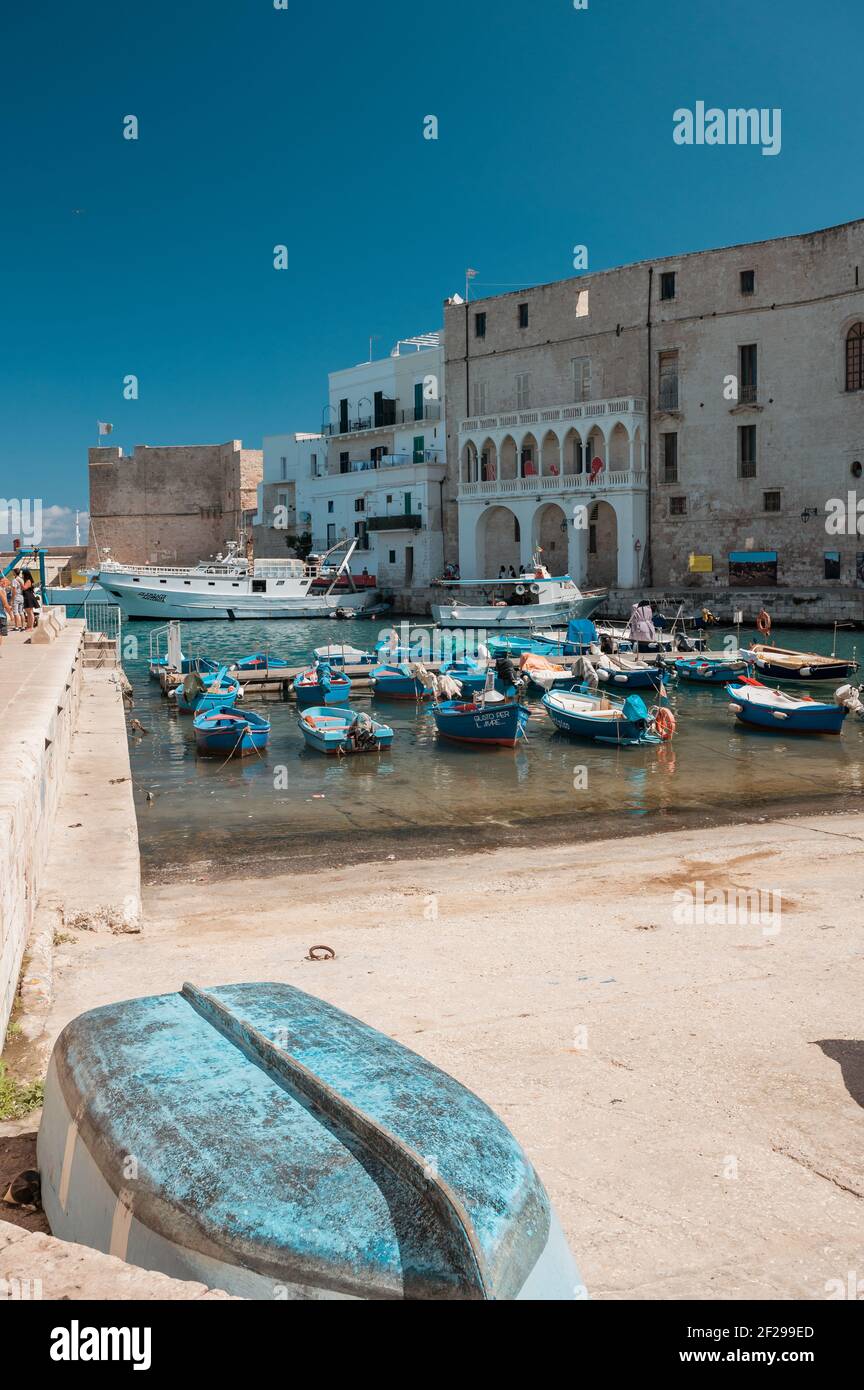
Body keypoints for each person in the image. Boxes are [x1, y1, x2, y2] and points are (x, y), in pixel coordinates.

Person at [0, 576, 11, 651]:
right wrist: (11, 615)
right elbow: (5, 604)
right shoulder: (1, 591)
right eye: (4, 582)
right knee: (0, 634)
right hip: (1, 615)